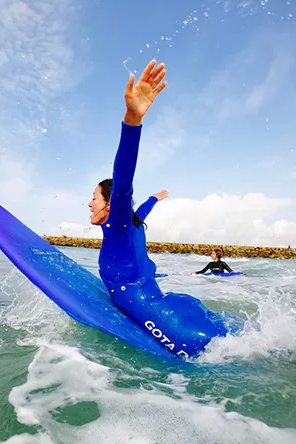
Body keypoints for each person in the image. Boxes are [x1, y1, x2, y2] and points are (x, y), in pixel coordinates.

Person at [88, 59, 241, 359]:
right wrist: (155, 198)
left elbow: (123, 183)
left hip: (167, 320)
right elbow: (141, 209)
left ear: (109, 205)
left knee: (212, 354)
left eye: (94, 197)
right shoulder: (130, 222)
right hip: (171, 300)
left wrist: (132, 122)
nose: (89, 203)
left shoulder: (119, 225)